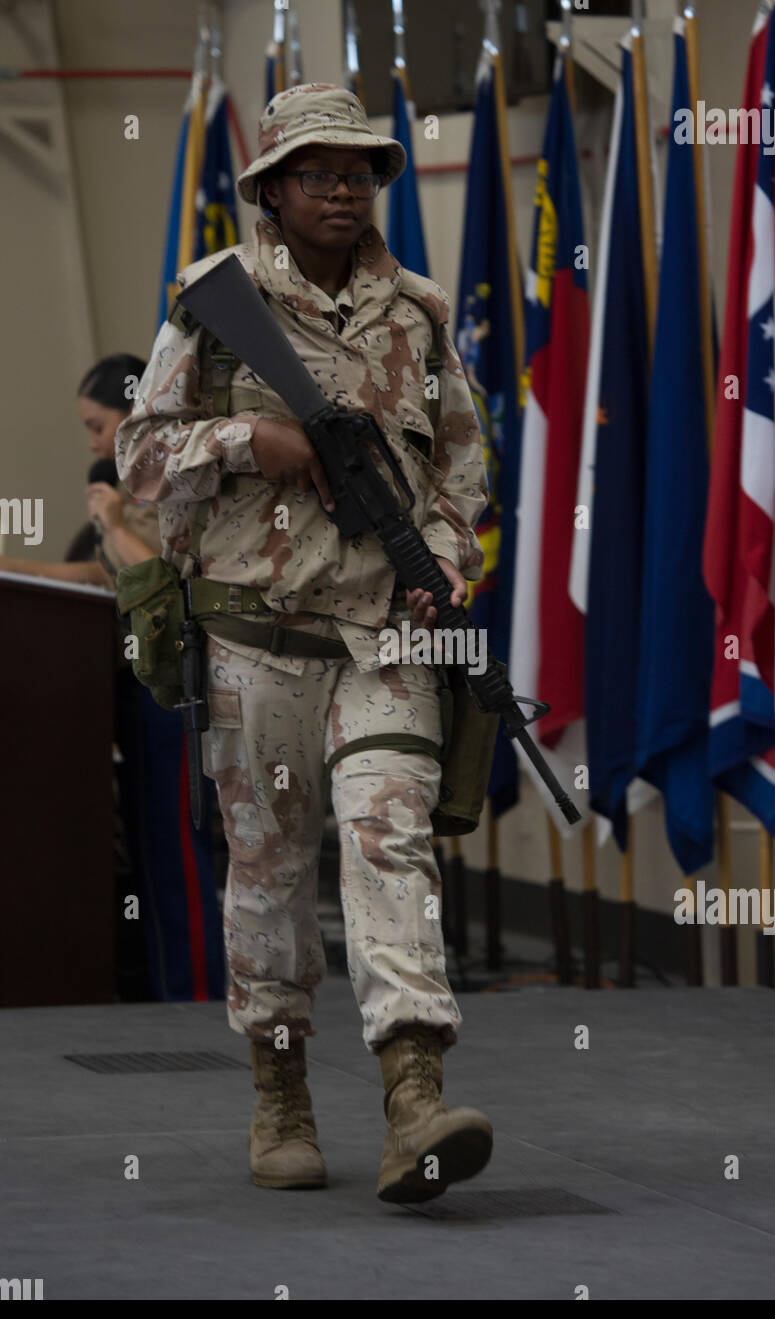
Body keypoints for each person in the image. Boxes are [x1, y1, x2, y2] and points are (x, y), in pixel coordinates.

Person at [117, 83, 493, 1204]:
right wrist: (250, 437)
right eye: (316, 172)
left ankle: (413, 1097)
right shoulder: (211, 305)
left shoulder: (417, 314)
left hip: (380, 640)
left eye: (358, 172)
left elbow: (461, 470)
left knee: (392, 848)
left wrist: (440, 566)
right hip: (252, 641)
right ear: (272, 190)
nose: (340, 189)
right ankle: (279, 1094)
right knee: (270, 877)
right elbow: (138, 458)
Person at [0, 354, 225, 1003]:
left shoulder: (176, 472)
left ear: (132, 412)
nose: (94, 443)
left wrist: (115, 524)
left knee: (179, 860)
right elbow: (99, 579)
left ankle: (196, 998)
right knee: (154, 862)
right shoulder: (130, 484)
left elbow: (166, 579)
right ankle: (164, 995)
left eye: (98, 426)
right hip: (132, 684)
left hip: (175, 691)